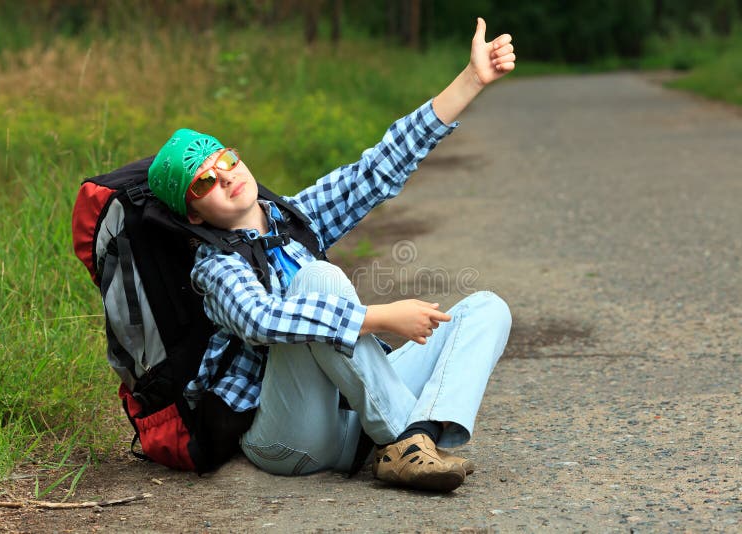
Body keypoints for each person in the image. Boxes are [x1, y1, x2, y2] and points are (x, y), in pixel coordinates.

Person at [146, 18, 515, 492]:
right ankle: (406, 437)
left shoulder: (293, 218)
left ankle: (411, 438)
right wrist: (379, 317)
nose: (225, 177)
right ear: (193, 213)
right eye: (203, 182)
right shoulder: (213, 266)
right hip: (288, 436)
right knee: (319, 280)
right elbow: (264, 320)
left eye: (226, 161)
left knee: (487, 309)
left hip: (352, 415)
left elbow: (378, 168)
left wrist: (472, 79)